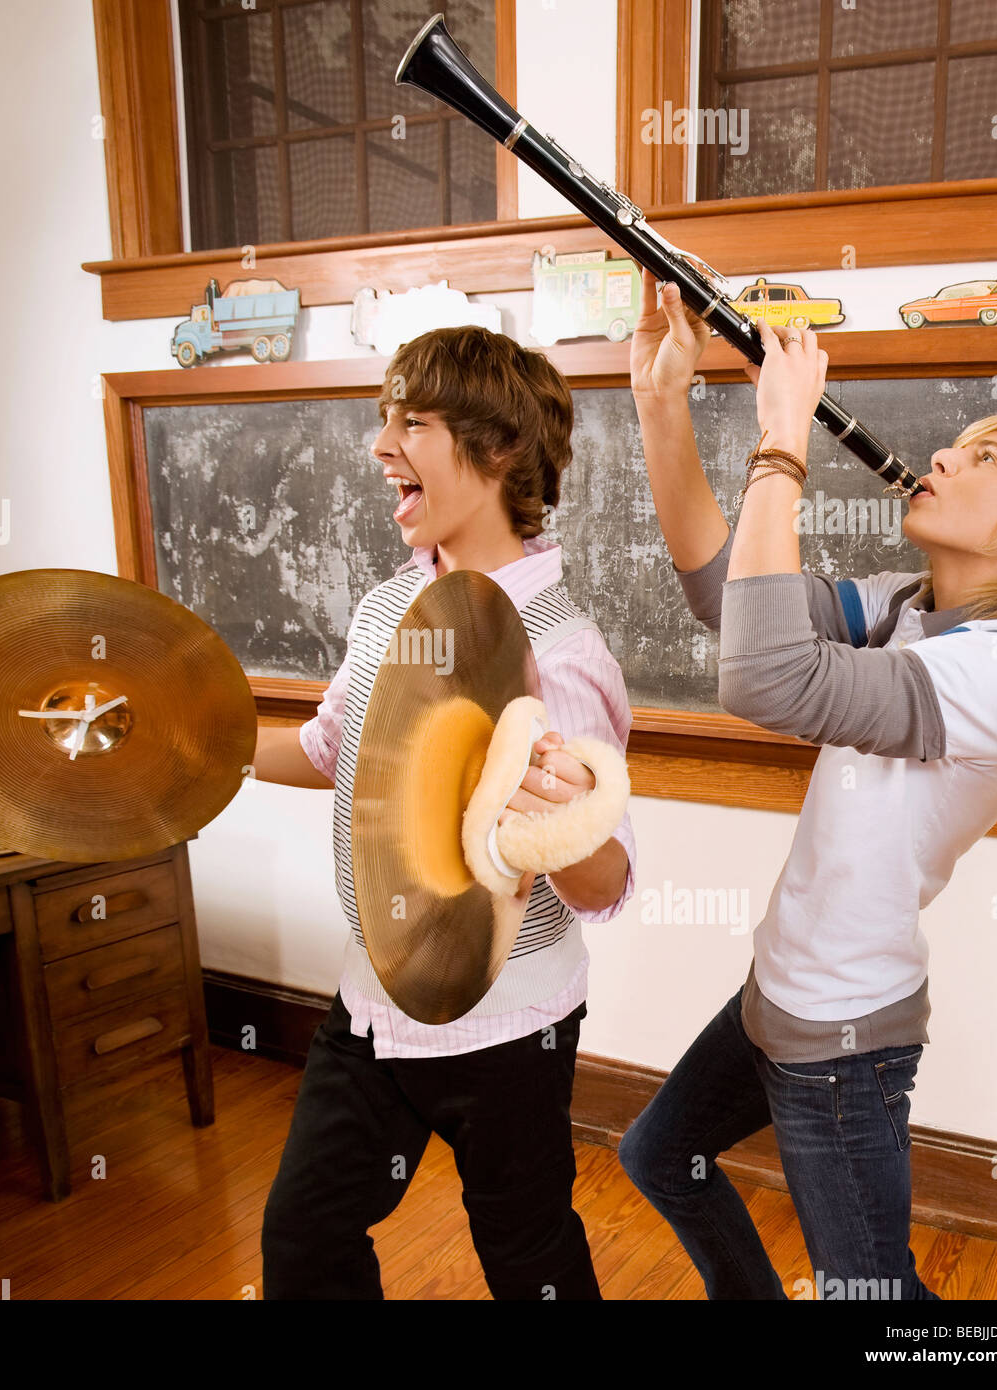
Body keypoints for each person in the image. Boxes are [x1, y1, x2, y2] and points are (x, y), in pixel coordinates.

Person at [618, 267, 997, 1300]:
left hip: (846, 1041)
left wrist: (782, 440)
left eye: (982, 459)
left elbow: (766, 677)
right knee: (658, 1155)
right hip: (782, 992)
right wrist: (659, 400)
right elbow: (731, 604)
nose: (943, 453)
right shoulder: (907, 604)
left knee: (873, 1301)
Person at [255, 325, 637, 1300]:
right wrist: (175, 750)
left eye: (412, 422)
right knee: (304, 1233)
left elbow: (605, 880)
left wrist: (546, 825)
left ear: (500, 449)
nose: (380, 447)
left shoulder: (561, 649)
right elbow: (326, 750)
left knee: (526, 1251)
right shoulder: (389, 605)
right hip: (371, 999)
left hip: (508, 1024)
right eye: (384, 419)